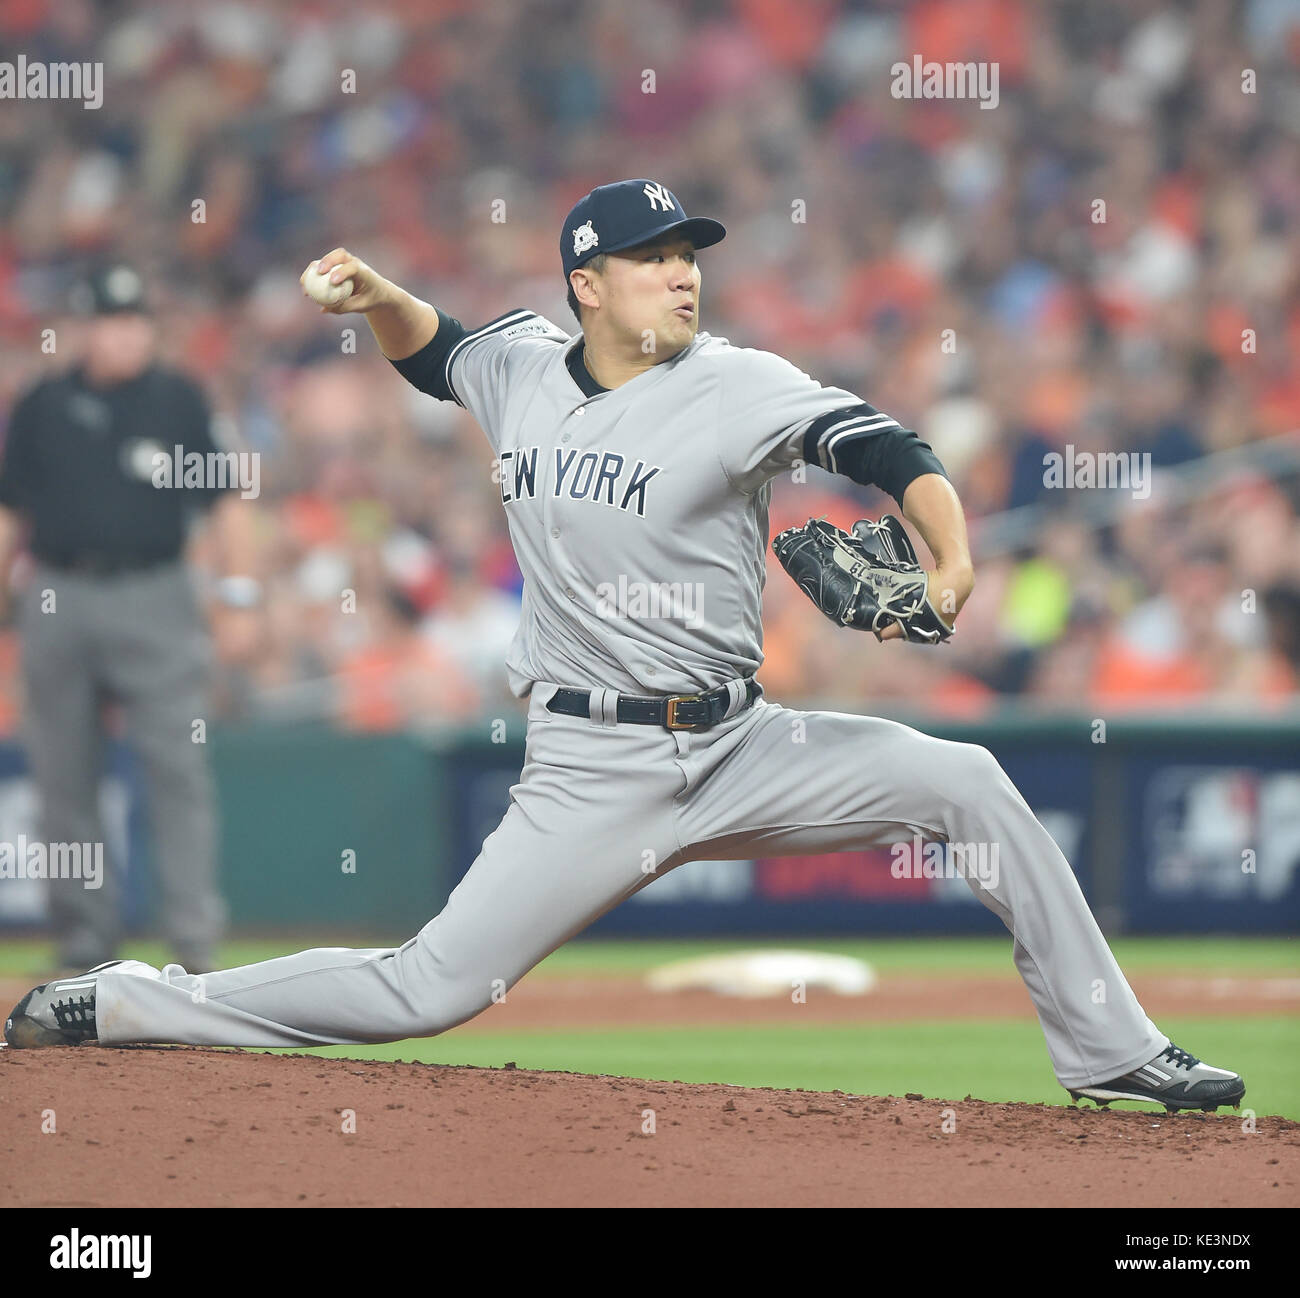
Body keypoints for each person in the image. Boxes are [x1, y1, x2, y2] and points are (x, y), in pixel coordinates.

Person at [5, 185, 1245, 1116]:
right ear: (586, 284)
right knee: (424, 990)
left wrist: (953, 556)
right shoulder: (519, 365)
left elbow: (887, 450)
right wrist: (380, 295)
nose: (683, 277)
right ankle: (125, 997)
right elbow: (435, 349)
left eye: (688, 257)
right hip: (588, 765)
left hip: (748, 740)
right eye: (652, 261)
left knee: (968, 779)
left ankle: (1112, 1045)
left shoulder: (739, 381)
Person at [0, 264, 261, 975]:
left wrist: (238, 595)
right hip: (59, 593)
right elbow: (10, 513)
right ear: (84, 330)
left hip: (157, 593)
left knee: (177, 769)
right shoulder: (43, 405)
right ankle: (85, 943)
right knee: (63, 779)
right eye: (110, 322)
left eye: (134, 322)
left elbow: (228, 502)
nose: (123, 335)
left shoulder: (178, 400)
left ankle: (194, 946)